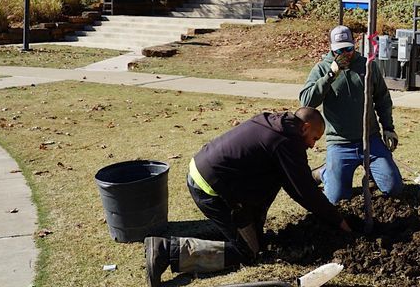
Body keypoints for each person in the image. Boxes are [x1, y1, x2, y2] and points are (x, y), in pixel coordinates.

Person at [144, 107, 351, 287]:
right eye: (314, 138)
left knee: (251, 232)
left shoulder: (277, 124)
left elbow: (290, 179)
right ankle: (166, 252)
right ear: (305, 127)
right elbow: (302, 190)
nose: (313, 145)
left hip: (207, 172)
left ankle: (239, 231)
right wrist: (337, 220)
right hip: (211, 188)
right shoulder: (286, 142)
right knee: (247, 252)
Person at [299, 25, 403, 203]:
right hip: (340, 144)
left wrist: (388, 128)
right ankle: (325, 172)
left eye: (348, 48)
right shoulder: (322, 69)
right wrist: (331, 74)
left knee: (394, 188)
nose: (345, 54)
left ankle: (372, 172)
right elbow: (306, 102)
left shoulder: (368, 66)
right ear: (332, 49)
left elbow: (383, 99)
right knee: (336, 198)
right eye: (340, 50)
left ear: (354, 45)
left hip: (370, 140)